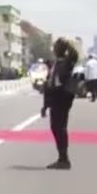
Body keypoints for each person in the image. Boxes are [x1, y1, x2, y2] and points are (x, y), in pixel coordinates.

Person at [40, 37, 79, 169]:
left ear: (61, 49)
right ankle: (62, 158)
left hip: (62, 98)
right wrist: (45, 106)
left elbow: (74, 55)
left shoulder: (67, 63)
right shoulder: (55, 63)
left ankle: (64, 159)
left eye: (56, 47)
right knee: (55, 128)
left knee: (60, 128)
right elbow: (49, 84)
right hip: (54, 98)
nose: (54, 49)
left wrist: (68, 44)